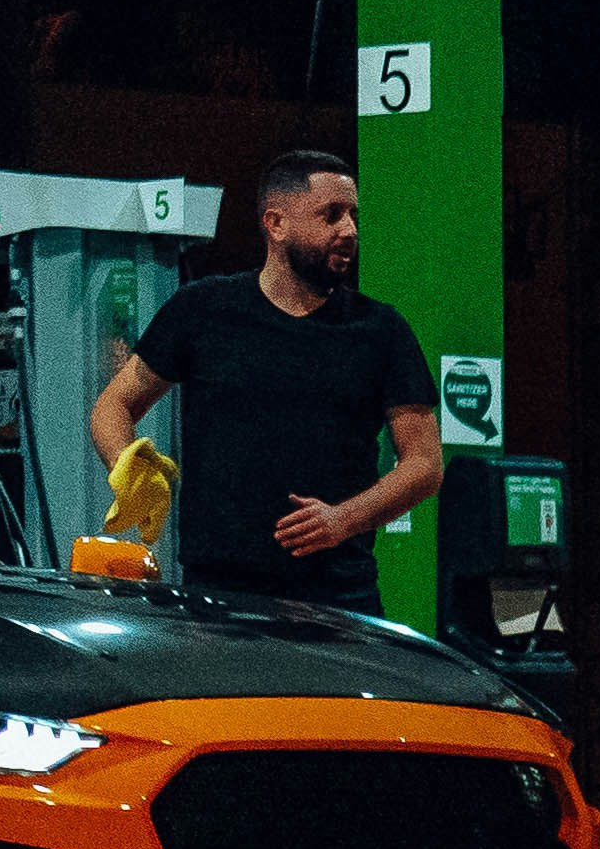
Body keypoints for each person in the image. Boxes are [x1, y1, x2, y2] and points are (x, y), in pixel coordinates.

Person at [85, 149, 441, 609]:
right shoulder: (203, 309)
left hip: (338, 598)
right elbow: (112, 406)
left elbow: (425, 464)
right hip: (215, 597)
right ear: (275, 224)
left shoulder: (381, 330)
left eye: (353, 216)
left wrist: (345, 518)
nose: (349, 230)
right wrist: (127, 466)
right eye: (331, 215)